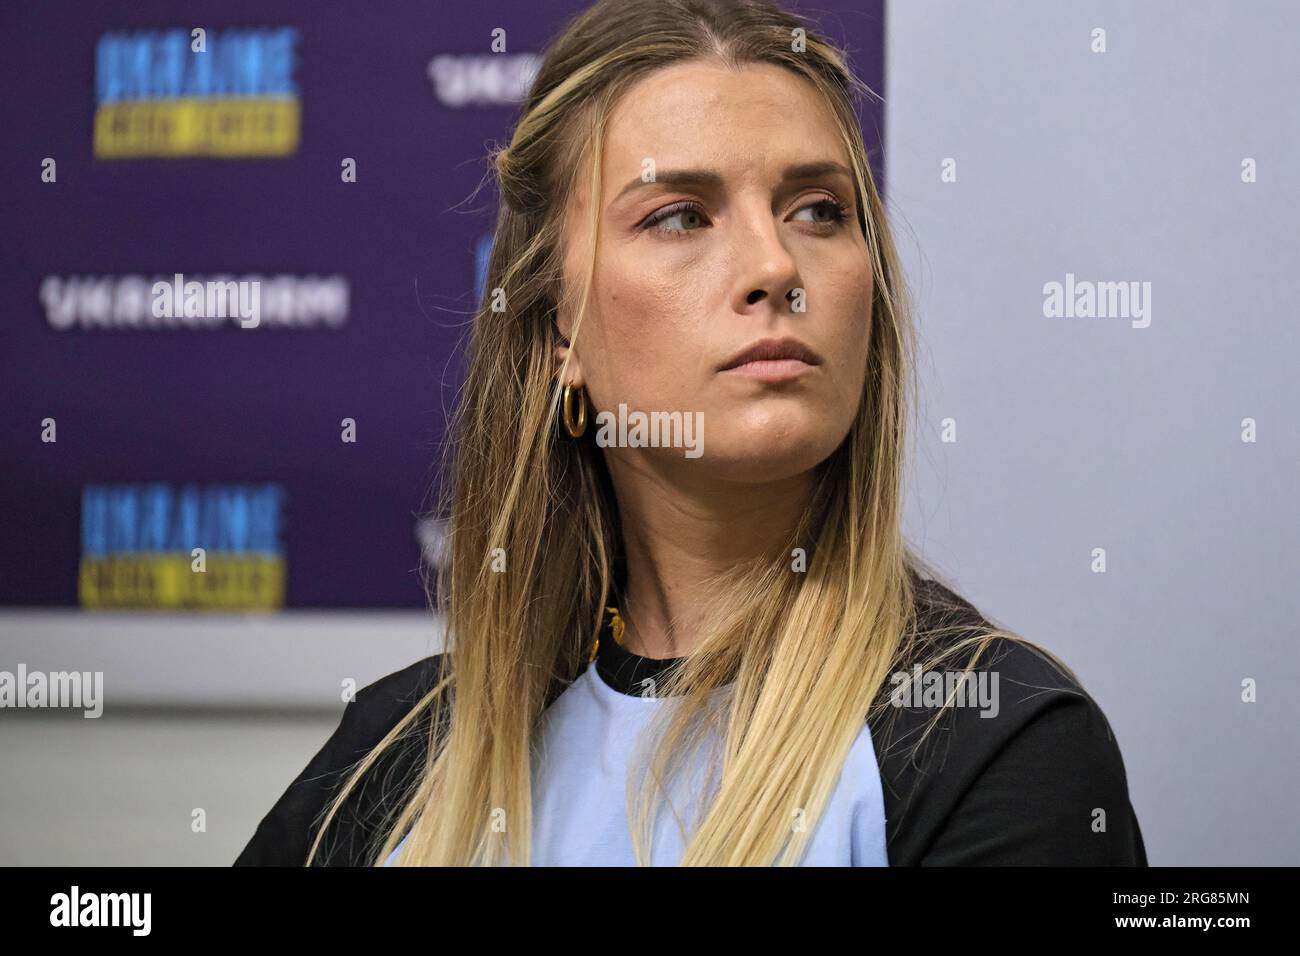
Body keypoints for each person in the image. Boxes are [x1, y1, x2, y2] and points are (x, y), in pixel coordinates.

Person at [236, 0, 1146, 867]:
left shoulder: (993, 744)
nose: (775, 266)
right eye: (679, 216)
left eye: (818, 209)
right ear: (557, 327)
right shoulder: (395, 758)